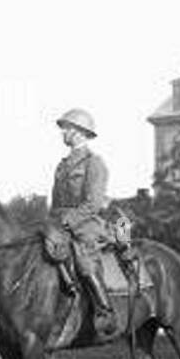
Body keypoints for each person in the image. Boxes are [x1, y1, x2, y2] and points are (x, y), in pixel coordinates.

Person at [50, 108, 118, 335]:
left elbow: (94, 204)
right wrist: (51, 223)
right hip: (60, 223)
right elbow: (55, 203)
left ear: (80, 132)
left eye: (67, 128)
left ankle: (104, 310)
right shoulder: (61, 165)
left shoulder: (94, 163)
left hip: (86, 224)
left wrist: (68, 221)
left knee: (83, 256)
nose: (63, 133)